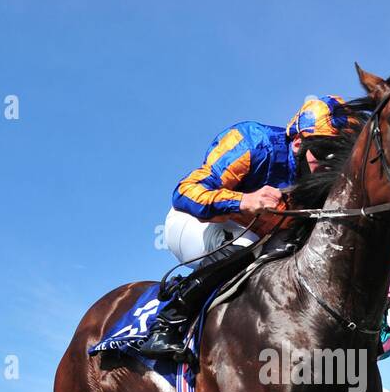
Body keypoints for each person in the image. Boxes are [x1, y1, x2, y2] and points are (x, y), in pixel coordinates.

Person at [139, 95, 354, 362]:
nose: (327, 165)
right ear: (298, 142)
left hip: (260, 241)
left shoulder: (325, 182)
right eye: (323, 151)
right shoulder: (254, 143)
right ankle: (168, 322)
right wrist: (245, 200)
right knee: (245, 247)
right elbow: (184, 193)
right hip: (193, 222)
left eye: (338, 157)